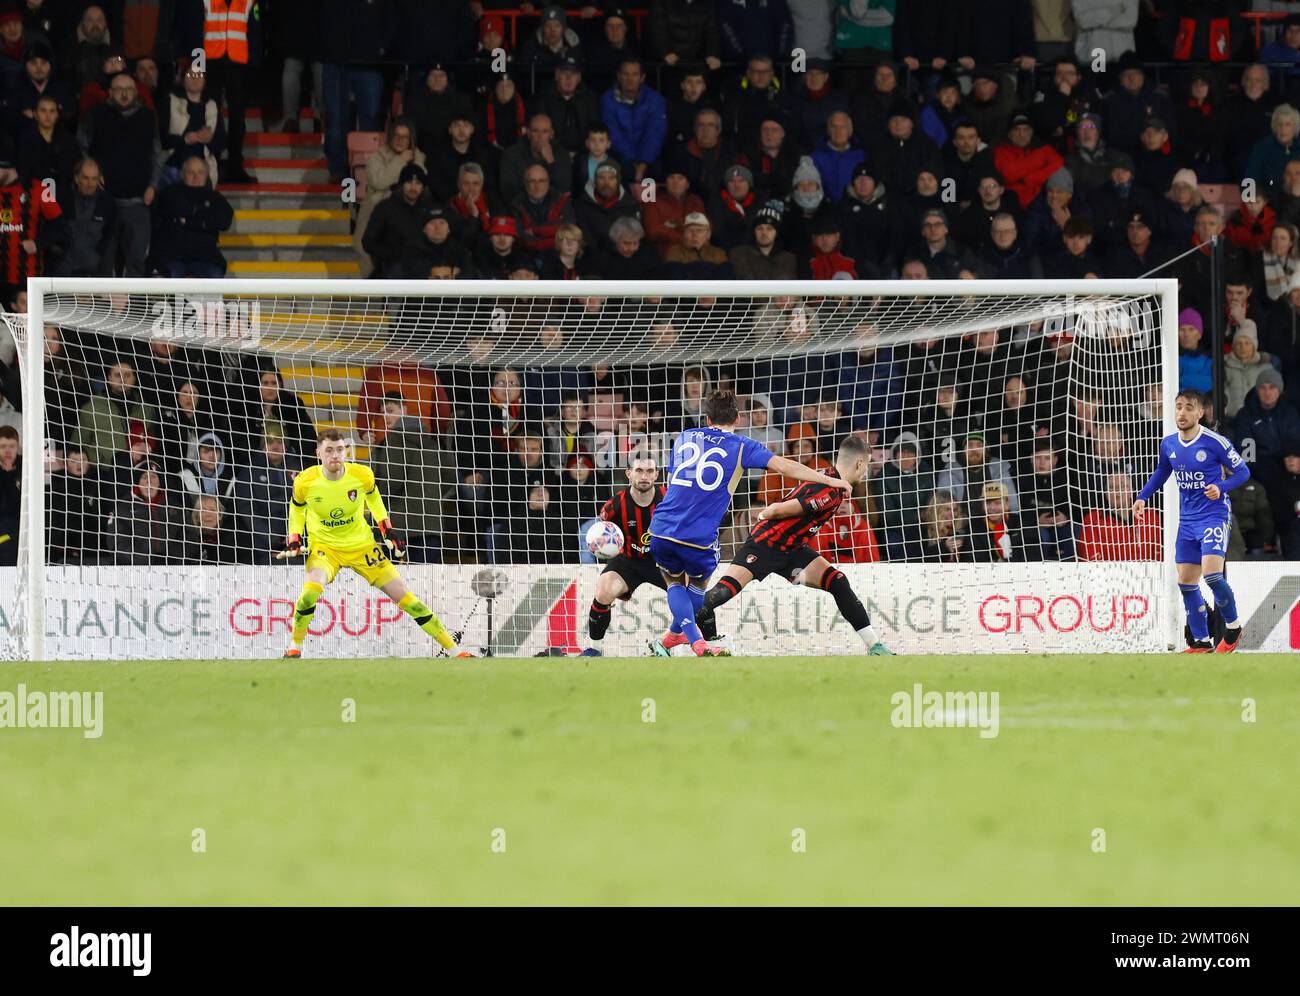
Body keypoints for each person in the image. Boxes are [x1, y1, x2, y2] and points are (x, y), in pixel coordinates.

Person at [647, 389, 850, 657]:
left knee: (674, 582)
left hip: (661, 526)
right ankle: (697, 643)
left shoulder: (684, 437)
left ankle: (671, 639)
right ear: (739, 419)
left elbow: (674, 481)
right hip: (698, 535)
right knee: (697, 585)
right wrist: (831, 480)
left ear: (707, 419)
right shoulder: (742, 446)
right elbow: (786, 467)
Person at [280, 429, 470, 659]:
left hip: (363, 548)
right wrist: (294, 538)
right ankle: (294, 648)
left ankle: (454, 650)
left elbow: (374, 499)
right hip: (326, 549)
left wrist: (387, 530)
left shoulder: (361, 475)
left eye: (340, 449)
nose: (335, 456)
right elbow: (297, 509)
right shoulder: (305, 481)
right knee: (310, 592)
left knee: (407, 598)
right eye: (329, 450)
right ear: (318, 453)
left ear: (346, 451)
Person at [695, 434, 892, 655]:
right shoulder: (830, 492)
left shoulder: (828, 477)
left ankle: (874, 646)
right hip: (766, 546)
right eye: (867, 465)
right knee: (721, 593)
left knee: (837, 582)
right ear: (860, 463)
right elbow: (781, 509)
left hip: (792, 552)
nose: (866, 471)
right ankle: (677, 635)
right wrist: (766, 512)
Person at [1133, 390, 1251, 653]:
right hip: (1187, 519)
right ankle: (1201, 641)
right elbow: (1162, 471)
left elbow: (1243, 472)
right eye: (1178, 407)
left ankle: (1232, 628)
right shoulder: (1169, 444)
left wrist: (1221, 487)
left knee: (1211, 576)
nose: (1182, 413)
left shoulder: (1214, 442)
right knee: (1186, 582)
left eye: (1189, 407)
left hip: (1213, 515)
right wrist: (1142, 497)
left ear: (1200, 413)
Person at [582, 454, 666, 657]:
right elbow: (600, 534)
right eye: (638, 471)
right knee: (603, 591)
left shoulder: (669, 499)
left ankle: (710, 644)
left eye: (649, 471)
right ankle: (595, 649)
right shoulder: (614, 506)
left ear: (656, 475)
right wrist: (601, 548)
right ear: (628, 473)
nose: (644, 476)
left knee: (695, 595)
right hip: (628, 561)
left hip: (663, 561)